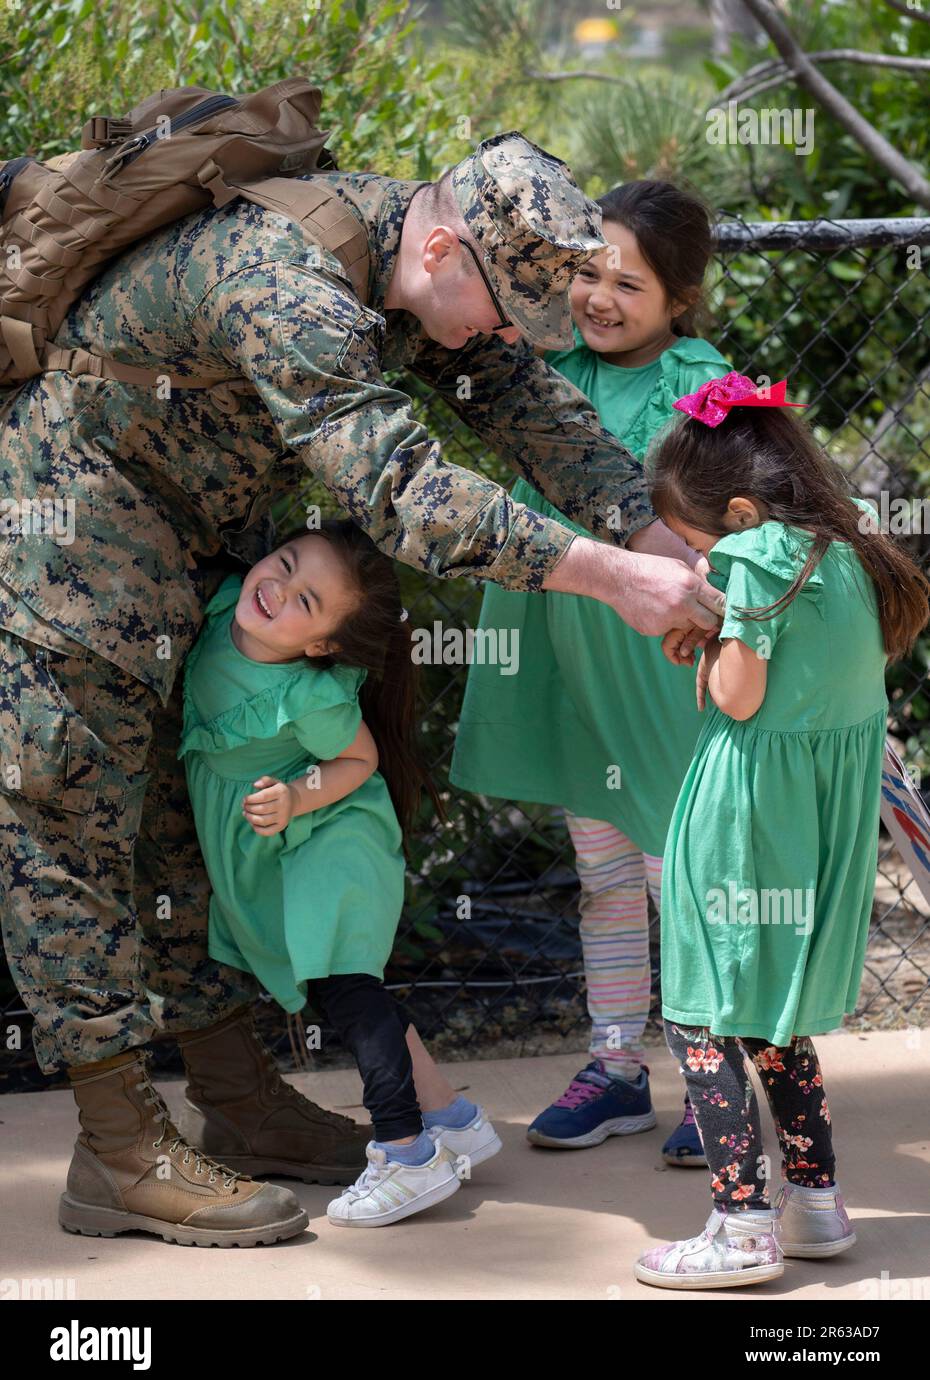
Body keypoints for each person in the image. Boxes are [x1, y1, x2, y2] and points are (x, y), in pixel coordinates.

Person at [0, 129, 725, 1247]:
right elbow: (405, 491)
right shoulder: (284, 280)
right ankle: (115, 1144)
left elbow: (526, 407)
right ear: (443, 247)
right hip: (74, 540)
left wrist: (651, 532)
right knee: (73, 822)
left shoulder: (418, 266)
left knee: (183, 831)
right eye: (494, 313)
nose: (497, 340)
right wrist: (610, 577)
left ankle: (235, 1098)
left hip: (191, 549)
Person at [451, 180, 732, 1163]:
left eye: (630, 282)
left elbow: (755, 502)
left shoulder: (708, 383)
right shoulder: (544, 365)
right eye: (585, 271)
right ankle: (615, 1066)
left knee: (678, 875)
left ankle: (718, 1074)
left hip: (659, 671)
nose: (599, 297)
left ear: (679, 301)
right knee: (605, 872)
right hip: (566, 661)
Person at [632, 372, 930, 1289]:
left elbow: (740, 696)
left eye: (693, 544)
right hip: (815, 827)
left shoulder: (756, 556)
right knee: (775, 1018)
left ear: (738, 510)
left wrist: (712, 651)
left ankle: (740, 1226)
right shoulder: (846, 552)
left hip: (744, 819)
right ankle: (816, 1205)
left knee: (702, 1014)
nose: (695, 563)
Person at [178, 520, 501, 1228]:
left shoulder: (311, 697)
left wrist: (296, 798)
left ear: (322, 644)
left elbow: (360, 762)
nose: (278, 590)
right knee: (354, 987)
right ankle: (454, 1118)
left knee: (348, 993)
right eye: (285, 566)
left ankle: (407, 1153)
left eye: (305, 600)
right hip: (282, 836)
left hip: (329, 835)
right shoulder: (224, 599)